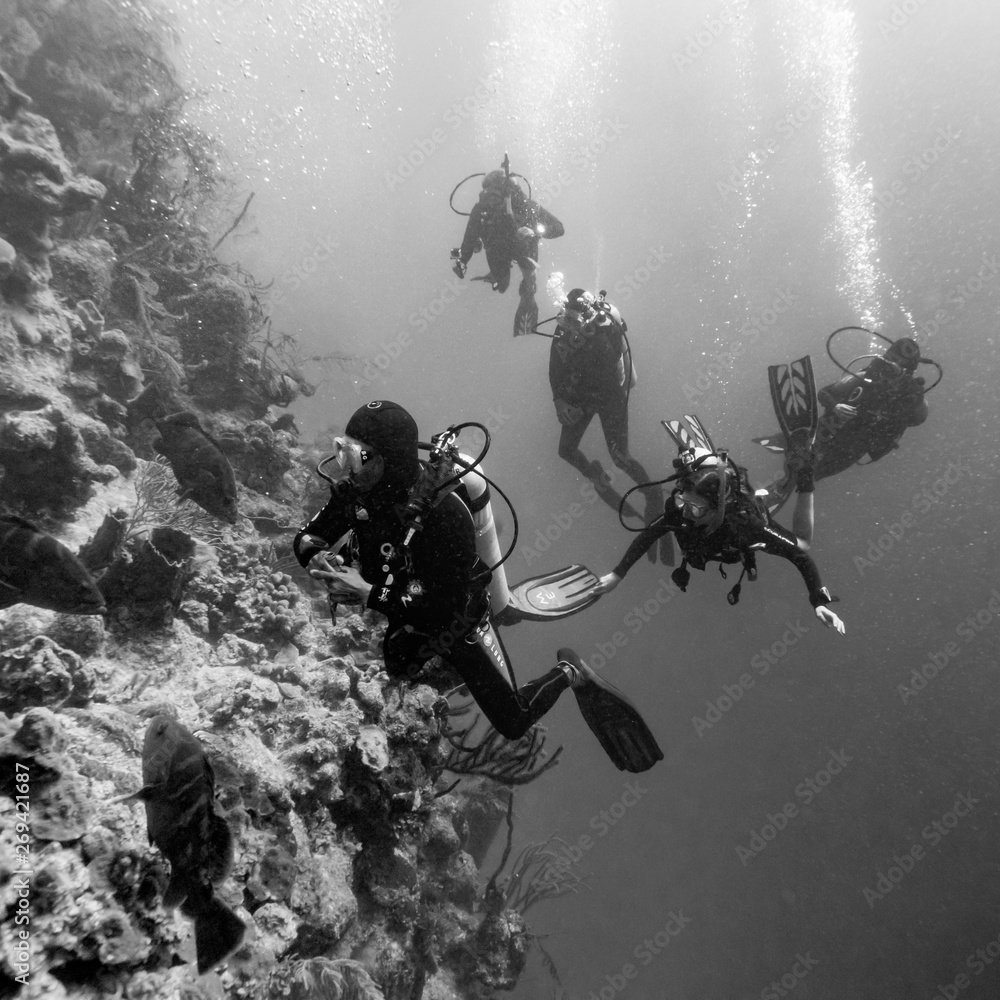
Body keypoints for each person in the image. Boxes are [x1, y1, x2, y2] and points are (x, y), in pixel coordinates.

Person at [293, 400, 662, 772]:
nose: (346, 467)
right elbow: (308, 537)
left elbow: (442, 608)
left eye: (356, 456)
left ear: (389, 459)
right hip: (403, 603)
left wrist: (369, 592)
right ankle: (438, 664)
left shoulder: (444, 516)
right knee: (398, 667)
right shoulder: (359, 494)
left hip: (457, 621)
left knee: (513, 722)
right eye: (342, 451)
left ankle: (569, 670)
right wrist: (319, 561)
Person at [593, 423, 846, 634]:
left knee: (801, 540)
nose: (687, 513)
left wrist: (818, 602)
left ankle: (803, 476)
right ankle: (768, 482)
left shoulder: (745, 526)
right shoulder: (681, 507)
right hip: (722, 501)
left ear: (718, 509)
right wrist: (617, 575)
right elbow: (650, 534)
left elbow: (800, 556)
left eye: (697, 508)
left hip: (750, 517)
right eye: (685, 501)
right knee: (740, 498)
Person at [549, 288, 665, 552]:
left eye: (575, 320)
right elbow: (554, 366)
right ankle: (595, 474)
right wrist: (559, 400)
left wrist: (588, 340)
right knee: (565, 450)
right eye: (566, 318)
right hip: (581, 396)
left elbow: (611, 376)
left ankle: (653, 495)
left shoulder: (604, 329)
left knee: (620, 456)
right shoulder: (564, 328)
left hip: (610, 396)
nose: (570, 326)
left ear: (589, 315)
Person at [758, 337, 930, 504]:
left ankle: (764, 499)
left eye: (898, 364)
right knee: (795, 465)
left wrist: (915, 395)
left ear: (908, 370)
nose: (891, 366)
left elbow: (919, 417)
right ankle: (767, 490)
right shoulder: (866, 376)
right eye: (890, 359)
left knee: (802, 475)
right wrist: (835, 406)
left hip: (847, 452)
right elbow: (825, 393)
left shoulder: (911, 395)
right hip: (825, 431)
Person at [452, 168, 564, 337]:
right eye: (487, 191)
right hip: (497, 251)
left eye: (495, 191)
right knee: (502, 286)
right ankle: (499, 278)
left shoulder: (526, 207)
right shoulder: (480, 210)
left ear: (508, 191)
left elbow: (558, 229)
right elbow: (469, 238)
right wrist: (463, 261)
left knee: (528, 288)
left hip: (523, 251)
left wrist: (535, 231)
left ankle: (528, 290)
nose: (490, 196)